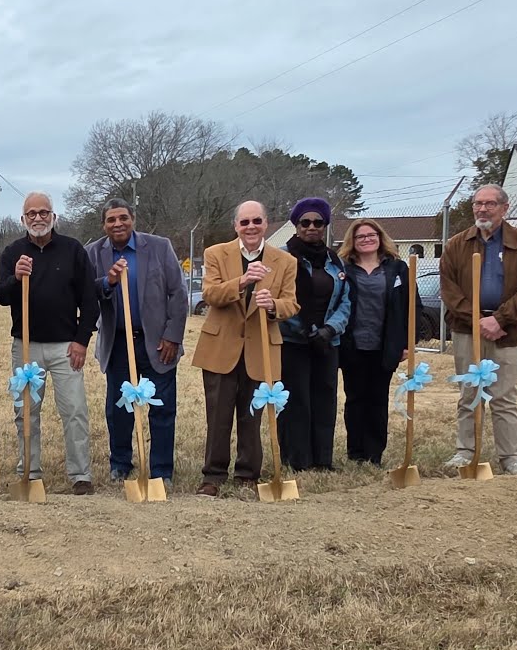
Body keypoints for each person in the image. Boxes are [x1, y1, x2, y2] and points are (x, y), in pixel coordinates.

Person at [0, 192, 99, 495]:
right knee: (26, 410)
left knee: (75, 410)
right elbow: (0, 295)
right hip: (26, 347)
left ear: (54, 216)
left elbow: (89, 301)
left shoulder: (73, 250)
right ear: (23, 218)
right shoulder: (14, 252)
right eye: (31, 214)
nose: (37, 218)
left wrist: (81, 341)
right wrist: (15, 277)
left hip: (66, 346)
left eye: (43, 212)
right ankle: (30, 471)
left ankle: (81, 475)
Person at [191, 201, 299, 495]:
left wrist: (274, 305)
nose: (251, 227)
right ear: (236, 226)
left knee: (252, 417)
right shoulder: (215, 254)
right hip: (220, 347)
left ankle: (248, 474)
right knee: (218, 416)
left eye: (257, 221)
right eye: (244, 222)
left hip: (260, 347)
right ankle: (212, 476)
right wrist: (242, 281)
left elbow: (291, 303)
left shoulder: (285, 261)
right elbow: (210, 294)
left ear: (266, 224)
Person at [440, 184, 517, 475]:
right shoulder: (457, 245)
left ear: (504, 208)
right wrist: (478, 321)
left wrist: (499, 320)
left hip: (508, 332)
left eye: (489, 204)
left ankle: (513, 457)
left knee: (503, 395)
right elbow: (449, 290)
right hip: (467, 330)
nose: (482, 209)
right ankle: (465, 452)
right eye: (477, 203)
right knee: (469, 391)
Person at [84, 198, 187, 487]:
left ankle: (161, 470)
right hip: (117, 343)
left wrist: (173, 336)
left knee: (163, 407)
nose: (117, 224)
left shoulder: (159, 247)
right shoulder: (92, 253)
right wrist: (108, 282)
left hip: (157, 341)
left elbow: (178, 294)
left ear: (133, 219)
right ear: (103, 224)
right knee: (119, 409)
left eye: (123, 218)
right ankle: (120, 464)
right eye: (111, 220)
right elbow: (85, 293)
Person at [277, 197, 351, 472]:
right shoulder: (283, 258)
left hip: (327, 342)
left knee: (324, 399)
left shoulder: (335, 261)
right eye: (305, 222)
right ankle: (296, 459)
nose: (311, 227)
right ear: (296, 225)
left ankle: (322, 458)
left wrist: (330, 329)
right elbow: (279, 298)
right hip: (293, 341)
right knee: (296, 401)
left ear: (325, 226)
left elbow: (346, 301)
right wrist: (307, 329)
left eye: (318, 222)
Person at [337, 219, 418, 466]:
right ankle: (355, 452)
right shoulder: (345, 270)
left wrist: (406, 342)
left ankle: (374, 453)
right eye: (360, 236)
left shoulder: (397, 269)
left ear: (380, 237)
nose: (366, 240)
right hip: (353, 345)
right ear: (353, 241)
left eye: (371, 235)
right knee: (355, 399)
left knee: (377, 399)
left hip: (385, 346)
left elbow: (410, 306)